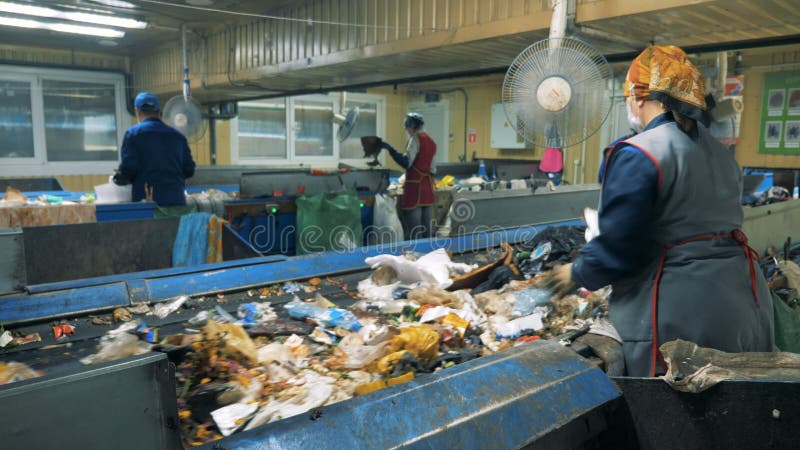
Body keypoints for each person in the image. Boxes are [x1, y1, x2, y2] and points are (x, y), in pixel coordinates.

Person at [552, 45, 774, 377]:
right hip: (743, 304)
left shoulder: (639, 153)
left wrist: (575, 273)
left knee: (674, 419)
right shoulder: (719, 153)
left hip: (679, 316)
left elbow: (619, 248)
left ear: (638, 98)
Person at [113, 92, 196, 207]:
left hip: (147, 203)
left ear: (138, 111)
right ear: (158, 112)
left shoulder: (133, 134)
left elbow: (129, 169)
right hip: (176, 202)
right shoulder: (178, 136)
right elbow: (189, 170)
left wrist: (118, 177)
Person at [382, 112, 437, 240]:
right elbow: (433, 169)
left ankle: (416, 256)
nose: (406, 130)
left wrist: (391, 150)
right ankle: (430, 254)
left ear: (412, 126)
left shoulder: (415, 139)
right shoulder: (431, 142)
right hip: (427, 188)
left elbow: (407, 162)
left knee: (415, 230)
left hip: (415, 187)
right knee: (427, 228)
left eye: (407, 126)